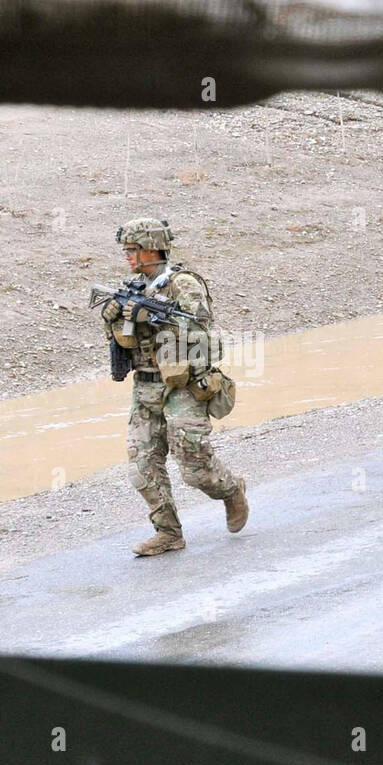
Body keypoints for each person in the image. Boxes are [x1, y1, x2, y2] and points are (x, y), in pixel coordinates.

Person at [101, 217, 248, 556]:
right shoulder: (135, 289)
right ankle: (168, 533)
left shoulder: (183, 285)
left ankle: (231, 491)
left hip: (183, 385)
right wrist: (114, 320)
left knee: (195, 470)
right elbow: (123, 342)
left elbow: (202, 335)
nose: (128, 256)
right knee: (141, 466)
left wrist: (151, 317)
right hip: (146, 386)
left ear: (151, 248)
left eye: (133, 250)